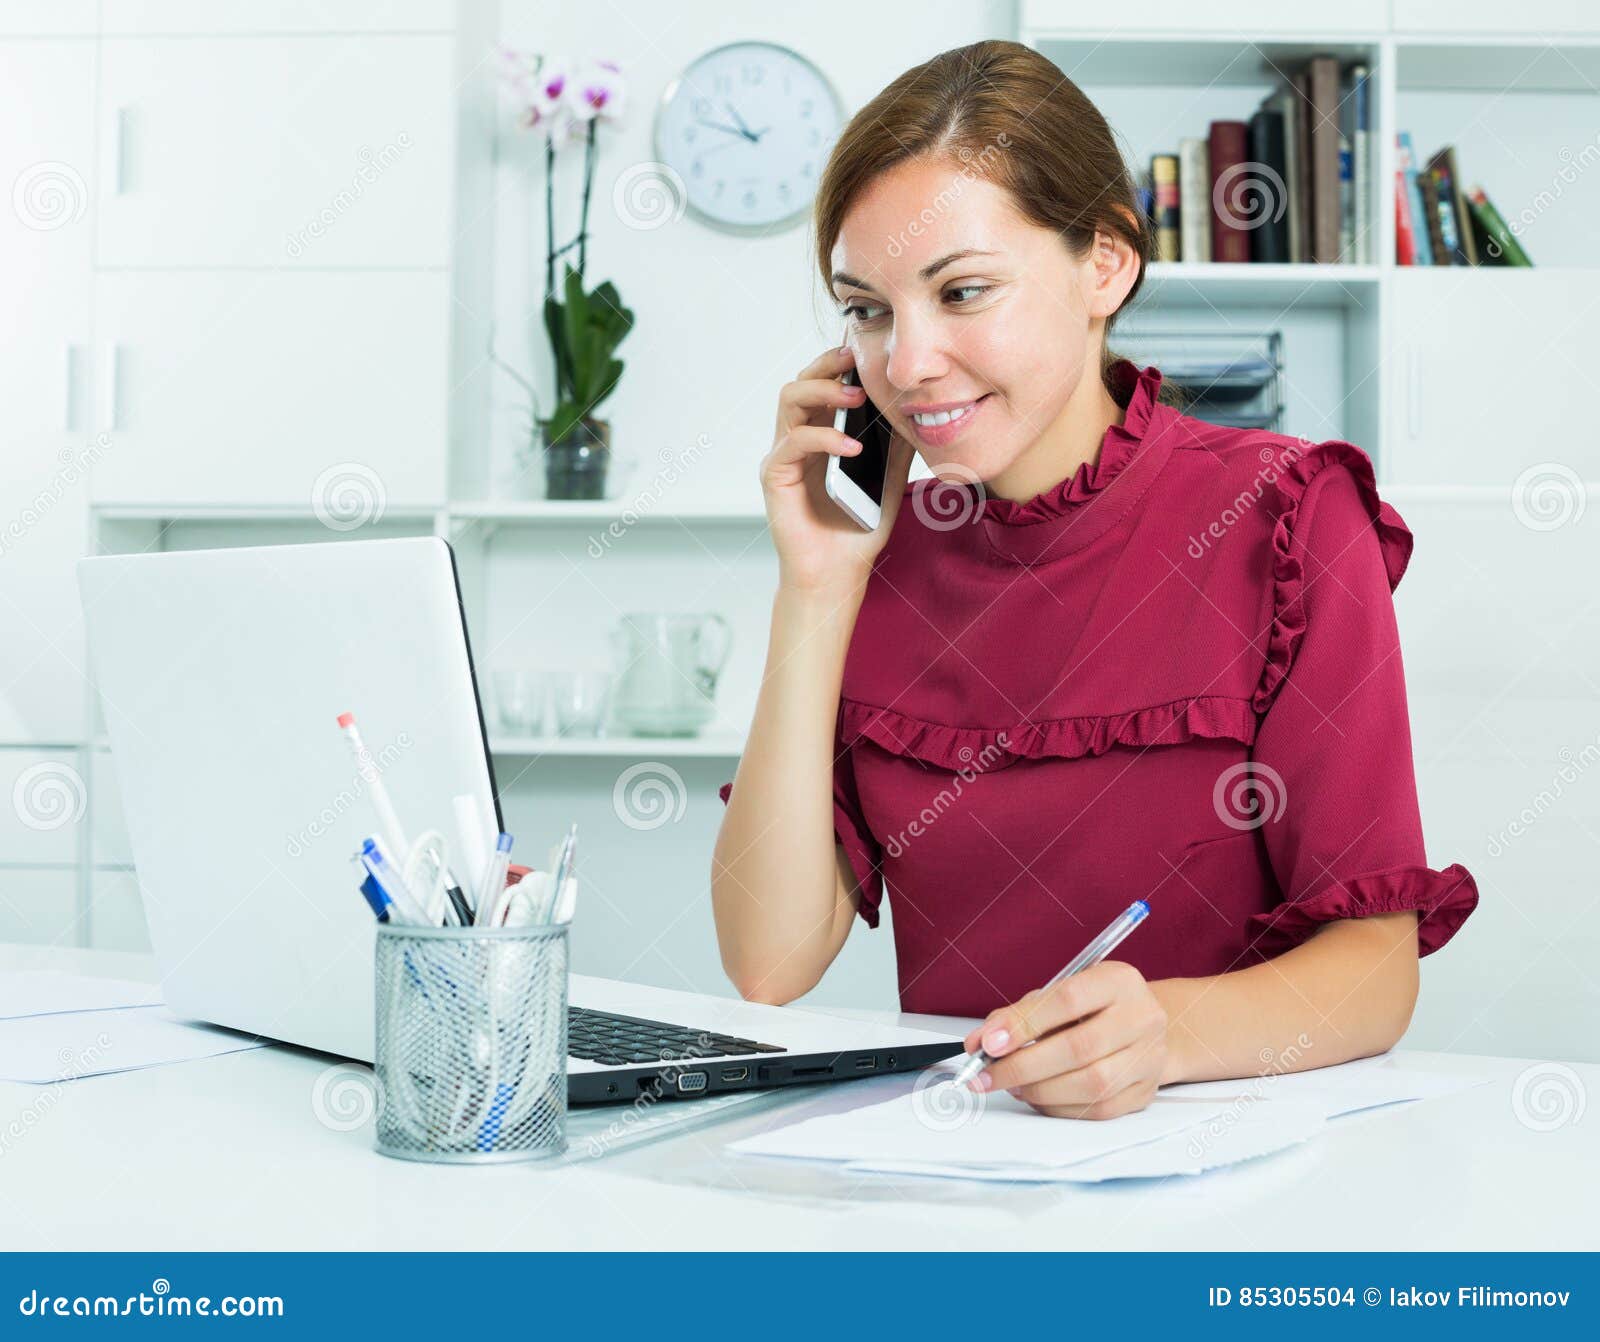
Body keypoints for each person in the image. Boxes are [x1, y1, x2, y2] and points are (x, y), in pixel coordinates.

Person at [710, 40, 1477, 1120]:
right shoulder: (872, 551)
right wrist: (815, 587)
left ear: (1103, 266)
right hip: (964, 1169)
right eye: (868, 310)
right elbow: (769, 960)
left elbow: (1373, 969)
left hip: (1227, 1159)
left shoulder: (1287, 512)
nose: (908, 362)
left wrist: (1165, 1034)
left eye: (962, 291)